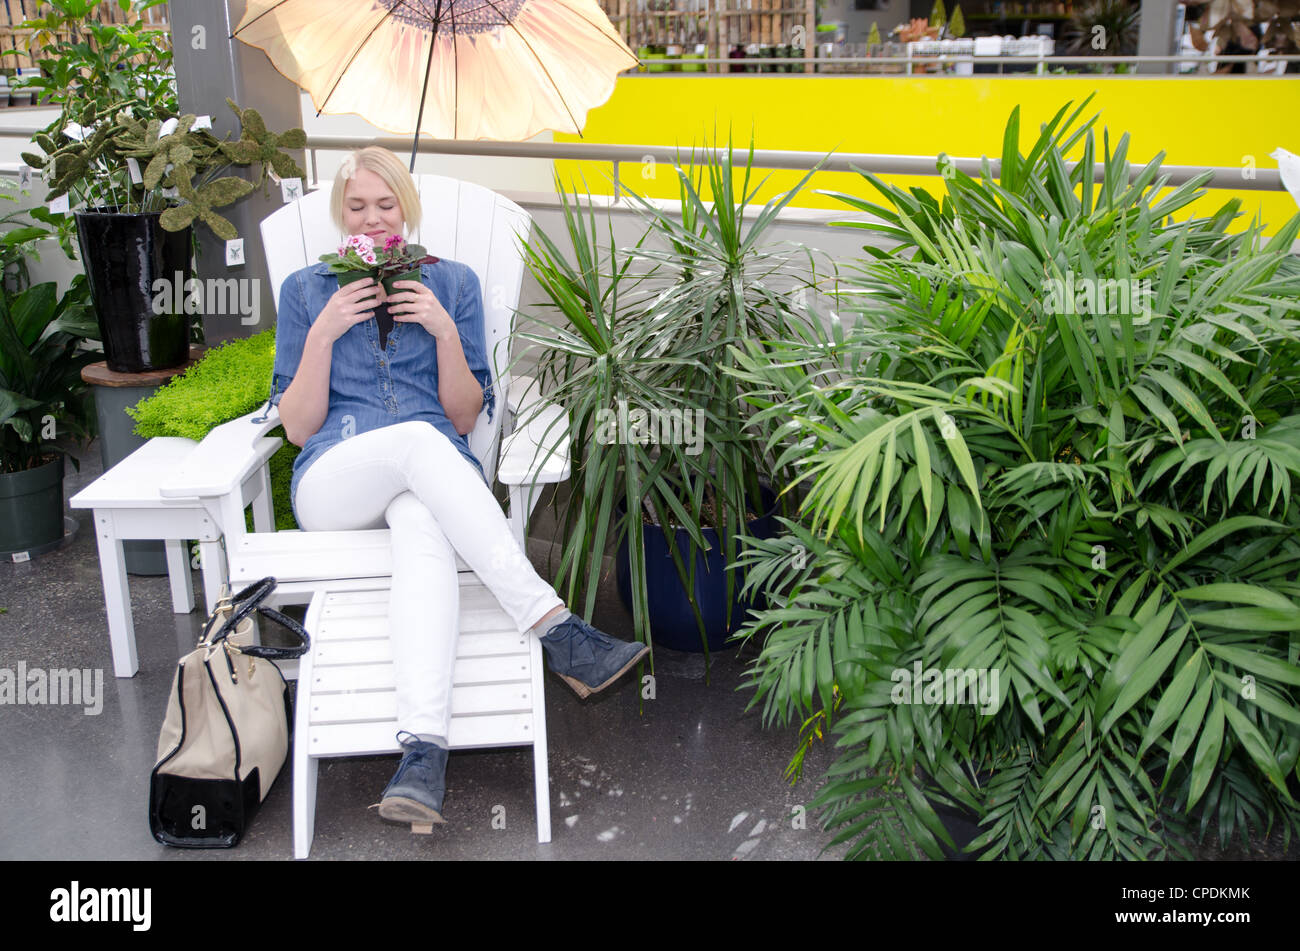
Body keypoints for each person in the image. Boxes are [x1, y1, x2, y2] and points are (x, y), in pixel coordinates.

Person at [268, 146, 648, 832]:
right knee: (418, 441)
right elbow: (297, 429)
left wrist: (443, 328)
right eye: (357, 206)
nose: (373, 218)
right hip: (334, 482)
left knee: (420, 519)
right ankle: (557, 629)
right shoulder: (305, 290)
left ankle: (422, 756)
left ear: (407, 208)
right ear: (340, 214)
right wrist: (323, 333)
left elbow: (467, 417)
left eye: (386, 204)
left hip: (433, 486)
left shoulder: (455, 283)